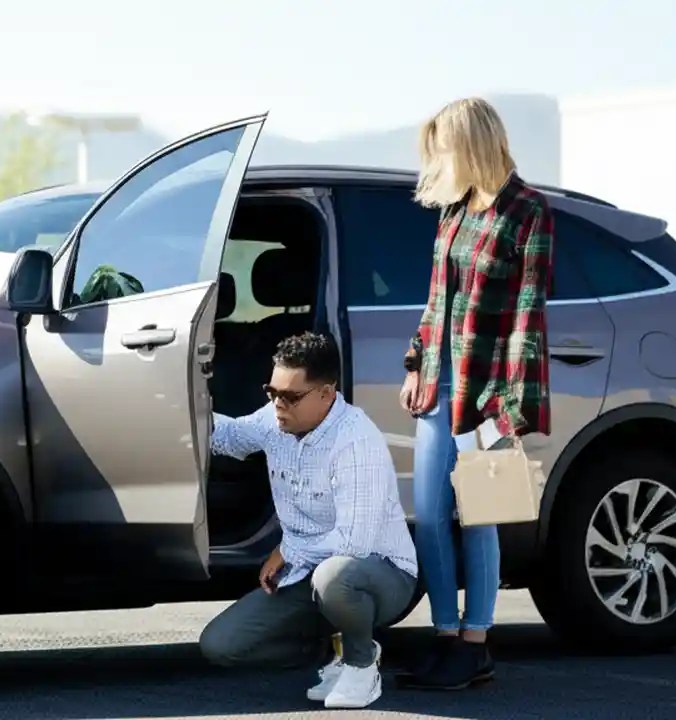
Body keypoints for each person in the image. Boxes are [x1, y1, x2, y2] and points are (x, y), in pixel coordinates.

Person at [398, 97, 554, 690]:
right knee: (432, 518)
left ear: (472, 143)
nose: (438, 159)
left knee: (478, 516)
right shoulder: (455, 211)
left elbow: (526, 314)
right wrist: (415, 362)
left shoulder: (529, 211)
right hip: (440, 385)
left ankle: (476, 641)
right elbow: (435, 300)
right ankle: (445, 636)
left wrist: (509, 405)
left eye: (444, 147)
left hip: (485, 389)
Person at [198, 332, 418, 710]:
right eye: (272, 392)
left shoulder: (355, 441)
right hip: (307, 574)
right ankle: (334, 651)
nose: (278, 405)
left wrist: (286, 549)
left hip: (379, 575)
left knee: (334, 577)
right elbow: (231, 438)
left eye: (290, 397)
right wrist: (184, 412)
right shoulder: (274, 419)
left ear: (327, 394)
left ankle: (361, 663)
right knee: (220, 646)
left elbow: (354, 544)